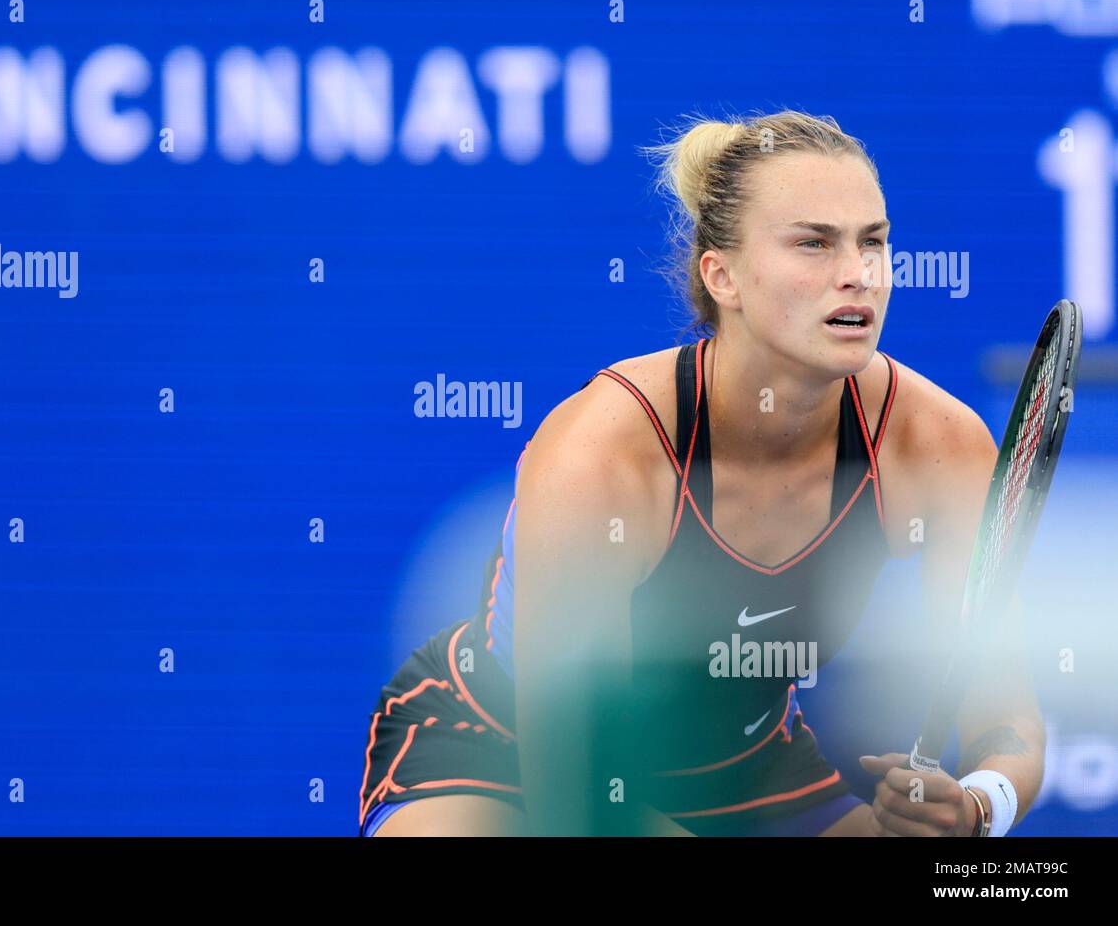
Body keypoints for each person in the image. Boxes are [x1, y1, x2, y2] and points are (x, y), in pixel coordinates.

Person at [358, 110, 1046, 836]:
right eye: (813, 243)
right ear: (722, 276)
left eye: (872, 242)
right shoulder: (601, 457)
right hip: (510, 756)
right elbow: (583, 811)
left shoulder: (935, 444)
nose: (858, 274)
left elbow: (1009, 725)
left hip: (745, 766)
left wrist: (974, 809)